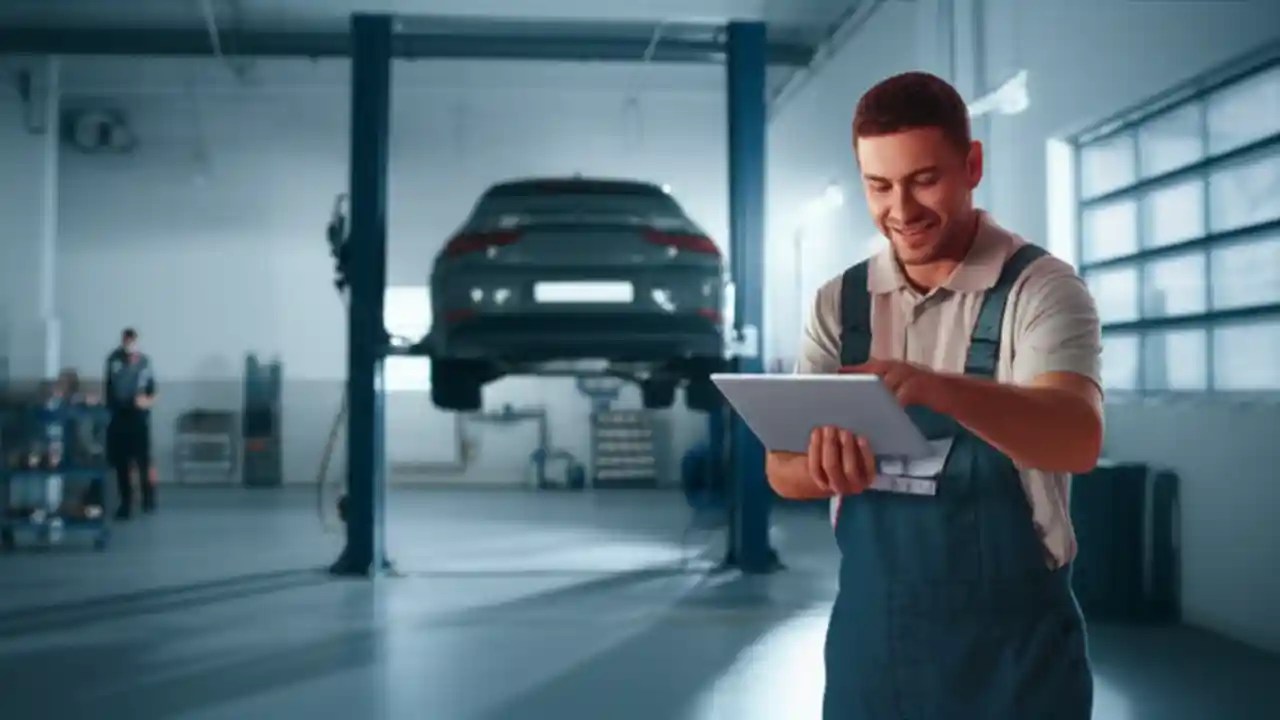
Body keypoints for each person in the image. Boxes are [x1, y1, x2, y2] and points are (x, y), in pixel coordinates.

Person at [768, 71, 1103, 720]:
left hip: (1014, 657)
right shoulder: (840, 303)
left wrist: (937, 389)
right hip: (873, 648)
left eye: (925, 179)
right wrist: (822, 466)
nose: (901, 209)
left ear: (972, 164)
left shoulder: (1041, 290)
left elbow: (1077, 437)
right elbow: (780, 471)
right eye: (878, 185)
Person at [105, 328, 157, 519]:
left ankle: (148, 498)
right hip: (120, 416)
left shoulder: (144, 362)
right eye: (126, 341)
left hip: (139, 416)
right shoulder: (114, 360)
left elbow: (152, 388)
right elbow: (109, 388)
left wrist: (148, 400)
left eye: (132, 342)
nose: (129, 345)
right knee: (122, 463)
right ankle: (125, 503)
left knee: (144, 460)